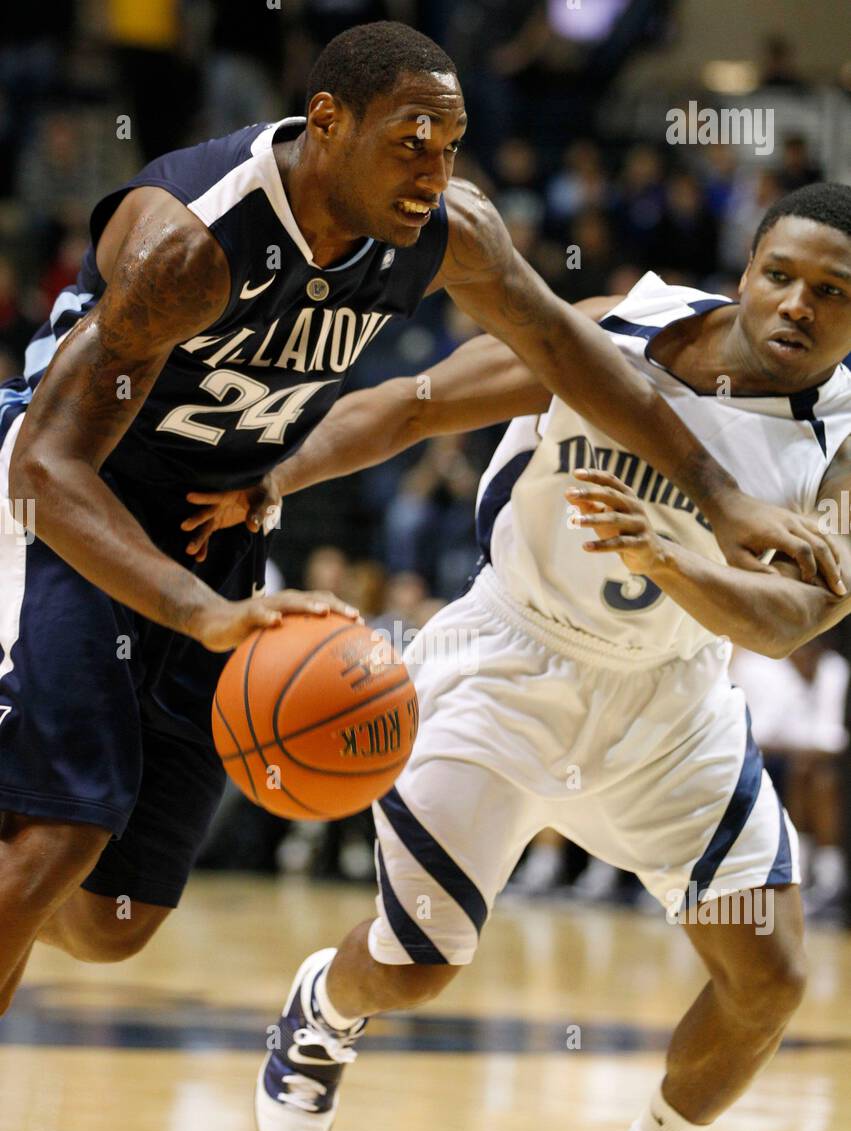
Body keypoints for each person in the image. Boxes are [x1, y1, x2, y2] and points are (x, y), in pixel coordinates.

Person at [0, 22, 829, 1018]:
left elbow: (572, 353)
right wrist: (198, 613)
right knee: (57, 840)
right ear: (326, 123)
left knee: (113, 919)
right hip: (67, 503)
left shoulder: (447, 230)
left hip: (210, 523)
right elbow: (47, 465)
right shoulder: (189, 244)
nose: (434, 169)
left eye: (450, 142)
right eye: (409, 141)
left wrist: (722, 497)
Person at [209, 183, 851, 1131]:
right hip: (504, 665)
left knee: (770, 977)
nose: (797, 304)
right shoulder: (615, 333)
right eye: (781, 274)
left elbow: (796, 616)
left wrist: (674, 559)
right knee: (413, 968)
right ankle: (324, 1007)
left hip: (669, 704)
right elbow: (412, 401)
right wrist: (273, 478)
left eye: (833, 293)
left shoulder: (838, 441)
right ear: (742, 270)